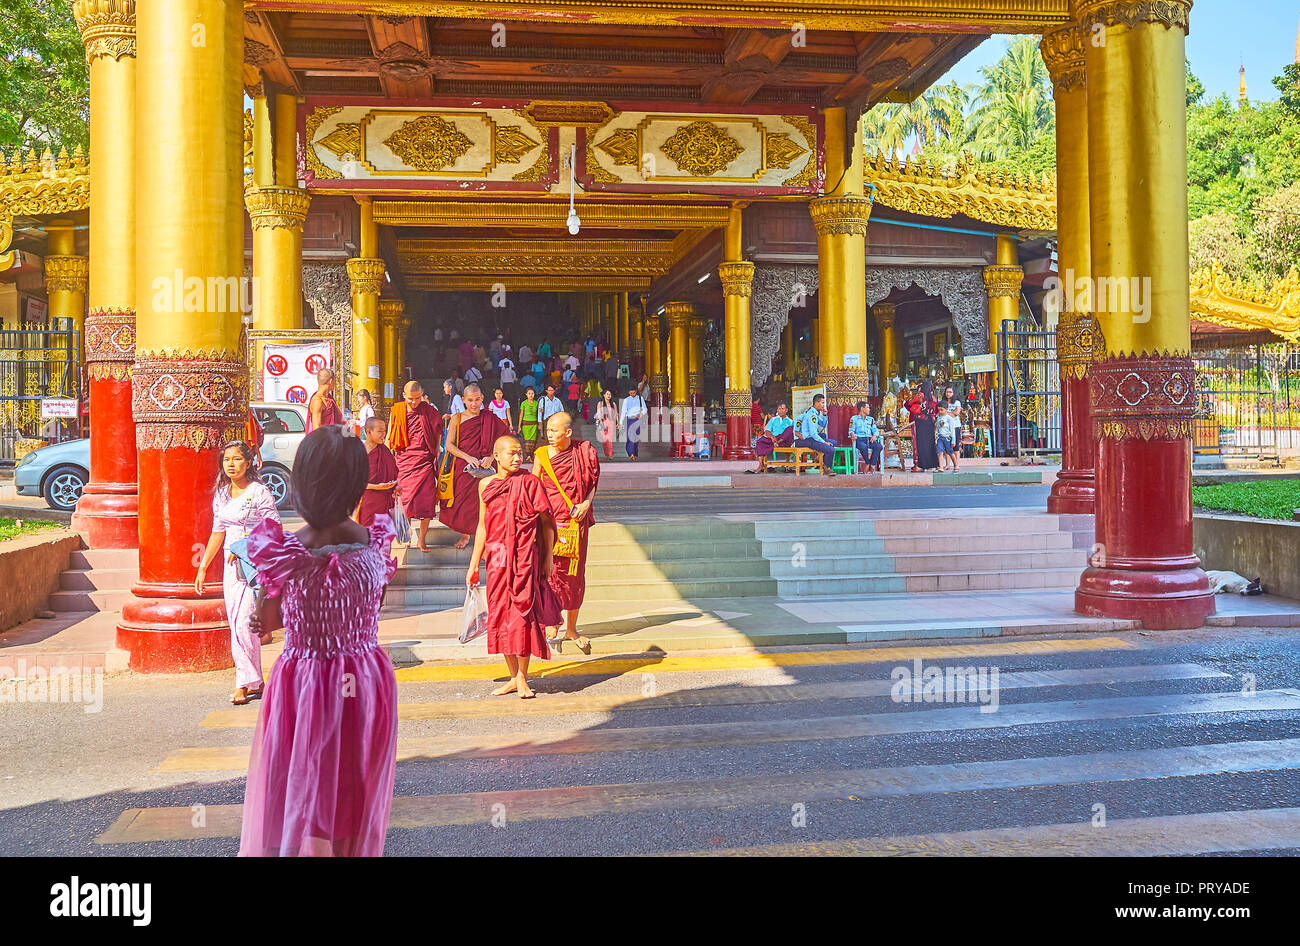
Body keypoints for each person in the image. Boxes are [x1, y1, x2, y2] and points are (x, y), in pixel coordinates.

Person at [241, 426, 398, 856]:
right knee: (354, 786)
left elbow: (266, 623)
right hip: (365, 679)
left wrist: (263, 602)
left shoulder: (285, 552)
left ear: (303, 483)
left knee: (304, 783)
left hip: (306, 682)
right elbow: (375, 603)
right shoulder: (374, 543)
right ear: (355, 485)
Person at [466, 434, 561, 699]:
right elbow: (483, 526)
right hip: (496, 558)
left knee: (522, 616)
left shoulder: (530, 482)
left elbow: (545, 522)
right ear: (496, 456)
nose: (518, 458)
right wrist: (474, 564)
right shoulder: (485, 484)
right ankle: (512, 677)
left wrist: (548, 559)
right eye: (512, 453)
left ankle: (523, 677)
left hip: (525, 556)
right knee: (501, 616)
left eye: (520, 453)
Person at [194, 441, 280, 706]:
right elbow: (217, 532)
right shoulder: (221, 494)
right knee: (238, 624)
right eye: (226, 460)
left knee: (244, 623)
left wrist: (245, 547)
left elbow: (274, 527)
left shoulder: (259, 492)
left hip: (252, 565)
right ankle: (256, 680)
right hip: (230, 569)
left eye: (237, 459)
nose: (231, 464)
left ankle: (242, 683)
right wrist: (203, 567)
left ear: (249, 462)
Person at [534, 412, 599, 654]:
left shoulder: (584, 451)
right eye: (548, 430)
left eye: (554, 430)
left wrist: (586, 504)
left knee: (573, 577)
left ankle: (571, 628)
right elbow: (533, 487)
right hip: (550, 524)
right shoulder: (541, 455)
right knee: (550, 574)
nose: (549, 435)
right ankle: (552, 622)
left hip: (575, 522)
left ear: (568, 432)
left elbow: (591, 483)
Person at [439, 383, 509, 550]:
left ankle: (484, 541)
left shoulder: (490, 418)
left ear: (482, 399)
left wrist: (491, 457)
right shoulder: (456, 418)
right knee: (463, 502)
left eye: (477, 400)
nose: (474, 404)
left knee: (484, 502)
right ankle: (465, 535)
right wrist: (468, 457)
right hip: (464, 466)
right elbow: (449, 445)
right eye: (470, 400)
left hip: (486, 467)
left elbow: (505, 440)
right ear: (463, 400)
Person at [387, 381, 443, 552]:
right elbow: (390, 435)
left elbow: (438, 432)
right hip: (403, 462)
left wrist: (436, 452)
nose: (414, 402)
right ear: (404, 395)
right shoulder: (396, 410)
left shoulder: (429, 411)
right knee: (405, 502)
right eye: (410, 399)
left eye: (417, 398)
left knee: (427, 502)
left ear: (422, 395)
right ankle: (406, 535)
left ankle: (422, 540)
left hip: (424, 461)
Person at [357, 415, 398, 527]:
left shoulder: (384, 451)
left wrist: (396, 487)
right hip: (367, 502)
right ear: (368, 432)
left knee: (384, 538)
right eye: (380, 431)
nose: (383, 435)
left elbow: (394, 472)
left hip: (385, 501)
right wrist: (377, 487)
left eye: (384, 431)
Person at [794, 394, 836, 474]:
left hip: (811, 438)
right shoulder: (811, 415)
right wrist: (824, 442)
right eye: (822, 403)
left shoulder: (815, 414)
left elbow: (823, 424)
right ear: (816, 403)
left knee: (833, 442)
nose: (824, 405)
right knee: (830, 449)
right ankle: (827, 468)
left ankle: (822, 460)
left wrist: (824, 415)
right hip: (806, 440)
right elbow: (813, 434)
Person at [752, 402, 795, 472]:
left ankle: (777, 442)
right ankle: (760, 465)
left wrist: (780, 440)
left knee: (791, 428)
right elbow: (767, 431)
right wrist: (771, 437)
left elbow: (791, 435)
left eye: (782, 409)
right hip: (773, 440)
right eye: (779, 409)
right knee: (759, 441)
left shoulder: (790, 421)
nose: (780, 410)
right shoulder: (773, 419)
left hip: (784, 441)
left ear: (786, 410)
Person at [908, 379, 940, 472]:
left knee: (920, 444)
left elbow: (908, 403)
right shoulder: (934, 398)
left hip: (920, 421)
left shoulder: (919, 396)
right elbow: (936, 411)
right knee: (930, 443)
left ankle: (920, 465)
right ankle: (932, 464)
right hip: (930, 422)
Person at [849, 401, 883, 473]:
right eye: (867, 407)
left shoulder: (871, 419)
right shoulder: (854, 419)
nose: (869, 409)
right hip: (860, 439)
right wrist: (852, 434)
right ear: (862, 408)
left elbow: (875, 430)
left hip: (870, 439)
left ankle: (872, 464)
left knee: (878, 446)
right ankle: (868, 463)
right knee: (863, 447)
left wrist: (875, 435)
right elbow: (851, 430)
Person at [306, 368, 343, 433]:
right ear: (331, 381)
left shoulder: (329, 398)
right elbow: (316, 430)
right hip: (323, 441)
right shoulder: (317, 401)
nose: (335, 384)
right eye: (335, 381)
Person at [621, 383, 647, 461]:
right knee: (630, 437)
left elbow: (645, 409)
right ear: (628, 392)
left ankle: (634, 453)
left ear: (636, 391)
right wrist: (621, 422)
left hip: (637, 420)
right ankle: (631, 453)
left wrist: (641, 414)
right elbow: (623, 411)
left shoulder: (640, 398)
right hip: (629, 419)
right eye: (631, 393)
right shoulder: (626, 400)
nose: (632, 394)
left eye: (634, 393)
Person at [940, 385, 963, 469]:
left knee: (956, 447)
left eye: (950, 392)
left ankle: (956, 465)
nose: (948, 394)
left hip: (955, 426)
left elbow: (956, 413)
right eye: (947, 392)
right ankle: (947, 465)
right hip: (945, 427)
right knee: (947, 446)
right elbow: (940, 413)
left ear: (953, 393)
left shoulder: (957, 402)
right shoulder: (943, 402)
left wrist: (946, 412)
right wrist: (950, 413)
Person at [937, 394, 960, 472]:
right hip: (940, 437)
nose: (940, 412)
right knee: (940, 452)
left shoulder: (950, 419)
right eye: (939, 410)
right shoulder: (938, 418)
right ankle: (940, 467)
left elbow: (952, 431)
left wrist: (953, 441)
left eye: (941, 410)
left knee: (950, 452)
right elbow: (937, 428)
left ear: (946, 409)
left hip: (947, 438)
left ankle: (956, 465)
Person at [594, 388, 619, 460]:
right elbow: (599, 414)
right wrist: (601, 423)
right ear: (604, 395)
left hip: (611, 423)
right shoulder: (600, 403)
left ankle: (610, 454)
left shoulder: (613, 404)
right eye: (607, 394)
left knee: (609, 439)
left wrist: (618, 423)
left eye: (610, 394)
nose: (609, 395)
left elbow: (616, 414)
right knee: (604, 440)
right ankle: (606, 454)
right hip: (603, 423)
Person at [518, 386, 540, 459]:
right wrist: (519, 426)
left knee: (533, 440)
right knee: (527, 440)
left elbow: (539, 414)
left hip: (534, 424)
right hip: (525, 424)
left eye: (532, 393)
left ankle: (531, 455)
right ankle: (528, 455)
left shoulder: (537, 403)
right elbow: (521, 415)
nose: (531, 395)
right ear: (526, 394)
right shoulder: (523, 403)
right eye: (529, 393)